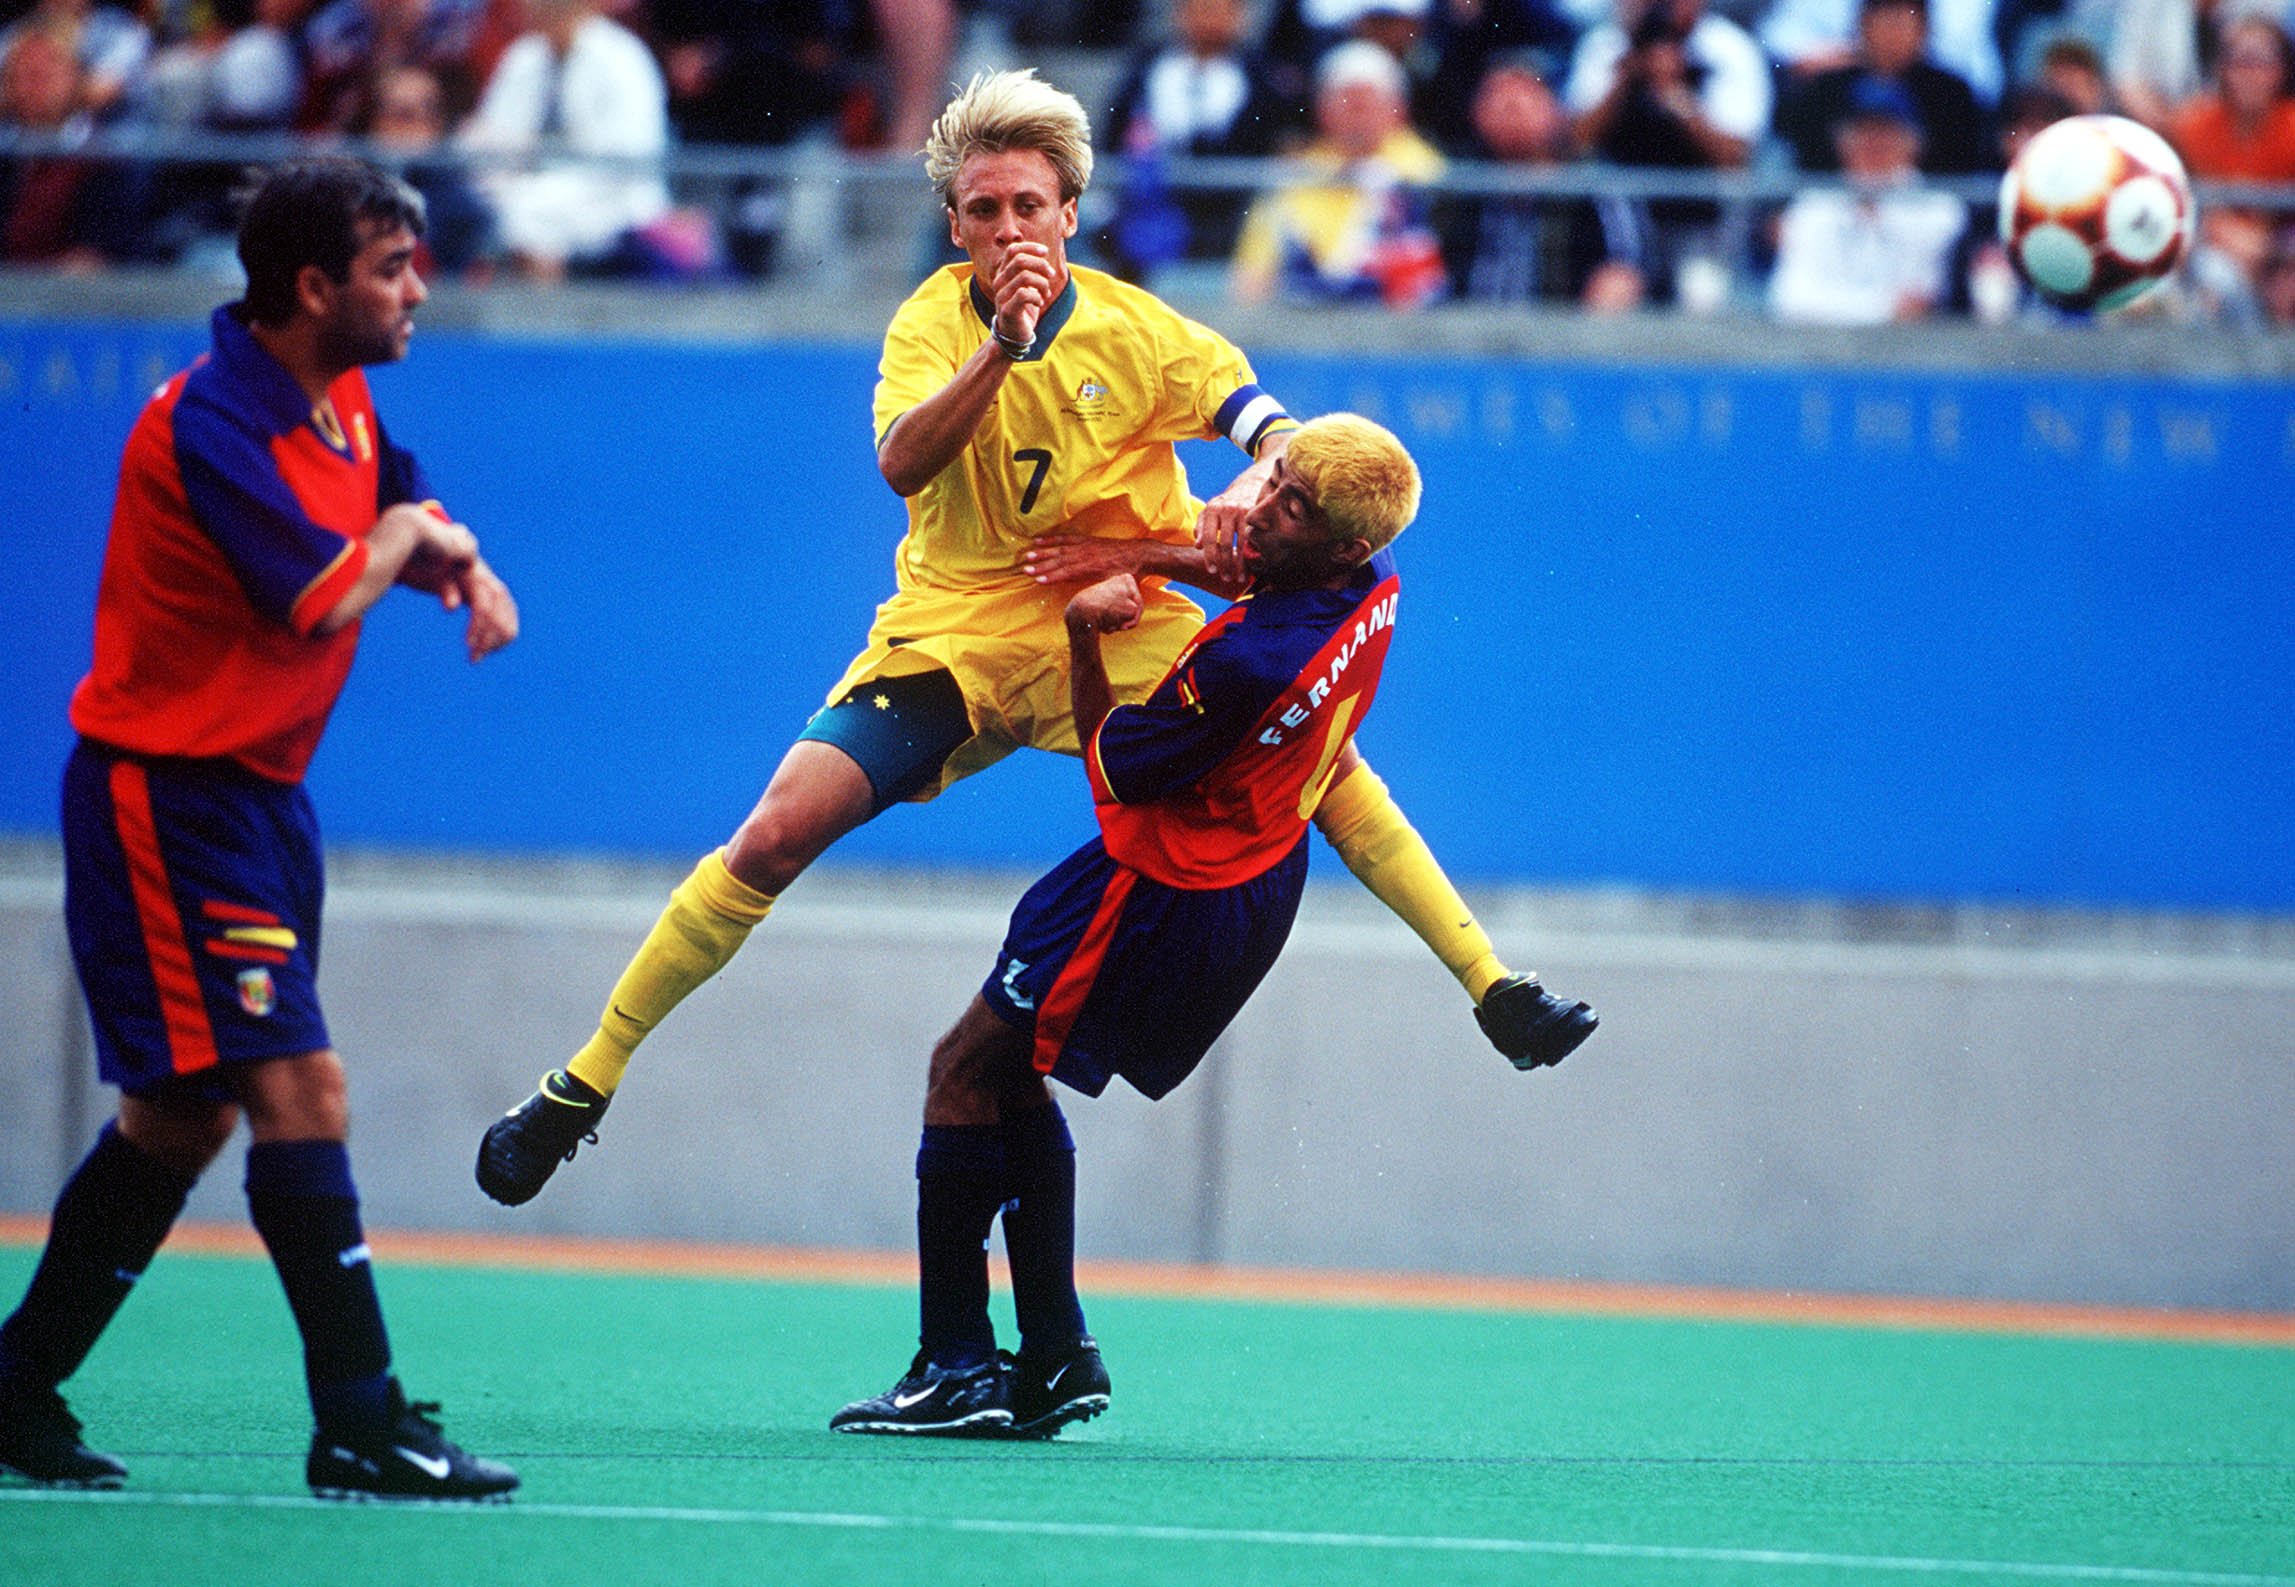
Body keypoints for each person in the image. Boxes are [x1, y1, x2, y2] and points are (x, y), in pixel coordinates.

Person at [475, 68, 1594, 1210]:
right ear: (954, 225)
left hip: (1112, 624)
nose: (1007, 229)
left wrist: (1244, 499)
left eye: (1028, 206)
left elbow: (1273, 430)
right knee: (772, 834)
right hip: (952, 635)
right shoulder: (930, 322)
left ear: (1070, 213)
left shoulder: (1139, 331)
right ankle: (584, 1083)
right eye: (982, 210)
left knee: (1324, 766)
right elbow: (902, 462)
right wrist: (1001, 350)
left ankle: (1492, 985)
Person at [0, 157, 521, 1500]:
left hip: (259, 799)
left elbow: (398, 502)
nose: (417, 289)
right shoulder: (209, 424)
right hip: (165, 800)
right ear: (312, 287)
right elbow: (316, 593)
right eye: (392, 269)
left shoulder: (336, 395)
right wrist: (415, 540)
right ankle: (361, 1416)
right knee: (302, 1089)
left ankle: (8, 1390)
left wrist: (455, 553)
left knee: (178, 1116)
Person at [828, 412, 1429, 1437]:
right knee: (1004, 1071)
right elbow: (1266, 586)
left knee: (963, 1069)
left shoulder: (1248, 661)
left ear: (1344, 546)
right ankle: (1056, 1353)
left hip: (1152, 883)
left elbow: (1115, 766)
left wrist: (1084, 628)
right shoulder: (1372, 590)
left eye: (1295, 509)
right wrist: (1185, 558)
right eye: (1276, 480)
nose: (1267, 507)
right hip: (1244, 876)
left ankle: (956, 1362)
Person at [1561, 0, 1773, 308]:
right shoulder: (1607, 43)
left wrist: (1673, 92)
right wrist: (1626, 78)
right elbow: (1576, 140)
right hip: (1620, 220)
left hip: (1703, 220)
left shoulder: (1729, 48)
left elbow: (1733, 156)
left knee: (1700, 302)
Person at [453, 0, 672, 281]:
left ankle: (545, 312)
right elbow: (495, 133)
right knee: (476, 205)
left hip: (610, 194)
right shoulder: (524, 55)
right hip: (525, 182)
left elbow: (630, 152)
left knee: (529, 215)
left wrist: (536, 155)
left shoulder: (622, 56)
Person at [1228, 38, 1452, 305]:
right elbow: (1252, 272)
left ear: (1399, 109)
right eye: (1347, 100)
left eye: (1368, 100)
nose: (1358, 112)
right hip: (1304, 323)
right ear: (1322, 109)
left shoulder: (1431, 172)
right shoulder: (1291, 174)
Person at [1096, 0, 1302, 281]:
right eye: (1198, 8)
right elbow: (1114, 132)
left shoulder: (1263, 74)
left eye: (1219, 9)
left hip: (1230, 211)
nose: (1207, 18)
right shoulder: (1148, 67)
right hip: (1156, 206)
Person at [1765, 74, 1966, 322]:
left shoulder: (1940, 210)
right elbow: (1789, 299)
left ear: (1912, 143)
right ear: (1842, 142)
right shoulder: (1812, 206)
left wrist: (1836, 305)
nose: (1873, 144)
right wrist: (1882, 308)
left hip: (1913, 354)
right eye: (1861, 132)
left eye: (1886, 133)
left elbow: (1923, 301)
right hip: (1823, 353)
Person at [1773, 0, 1991, 177]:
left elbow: (1960, 169)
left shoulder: (1952, 94)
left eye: (1902, 21)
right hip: (1838, 205)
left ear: (1924, 28)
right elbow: (1809, 162)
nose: (1892, 33)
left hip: (1926, 207)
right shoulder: (1826, 89)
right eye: (1884, 20)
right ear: (1862, 23)